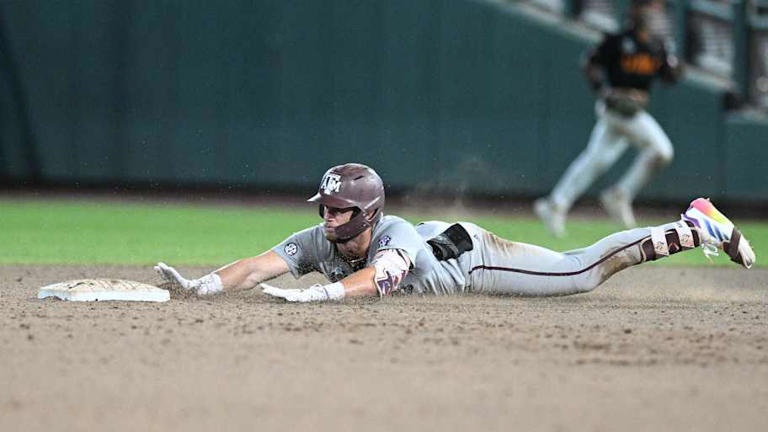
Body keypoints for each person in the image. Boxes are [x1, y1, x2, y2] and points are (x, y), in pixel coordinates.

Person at [155, 162, 754, 302]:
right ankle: (689, 226)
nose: (327, 218)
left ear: (365, 213)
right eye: (326, 209)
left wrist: (321, 295)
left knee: (578, 273)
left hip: (470, 257)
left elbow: (381, 276)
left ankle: (691, 225)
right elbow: (259, 265)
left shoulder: (392, 235)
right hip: (439, 241)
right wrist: (201, 286)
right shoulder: (323, 240)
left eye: (337, 210)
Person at [534, 0, 682, 237]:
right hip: (616, 109)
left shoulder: (657, 45)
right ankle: (620, 194)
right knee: (662, 150)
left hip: (633, 110)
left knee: (596, 160)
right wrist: (603, 90)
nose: (653, 12)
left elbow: (670, 77)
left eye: (655, 7)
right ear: (635, 10)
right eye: (648, 6)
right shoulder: (618, 40)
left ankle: (555, 204)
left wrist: (673, 61)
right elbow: (590, 63)